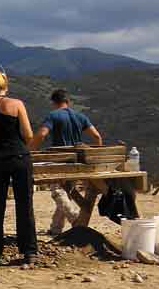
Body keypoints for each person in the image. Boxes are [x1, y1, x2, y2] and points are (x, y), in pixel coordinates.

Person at [0, 72, 38, 266]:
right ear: (6, 87)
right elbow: (28, 135)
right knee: (24, 204)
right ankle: (29, 251)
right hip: (19, 158)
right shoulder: (17, 104)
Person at [31, 89, 104, 235]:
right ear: (67, 101)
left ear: (53, 102)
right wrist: (96, 154)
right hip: (77, 160)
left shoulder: (53, 116)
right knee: (66, 193)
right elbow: (97, 136)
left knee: (58, 192)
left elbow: (42, 134)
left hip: (60, 159)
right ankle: (55, 228)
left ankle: (75, 218)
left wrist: (30, 149)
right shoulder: (80, 116)